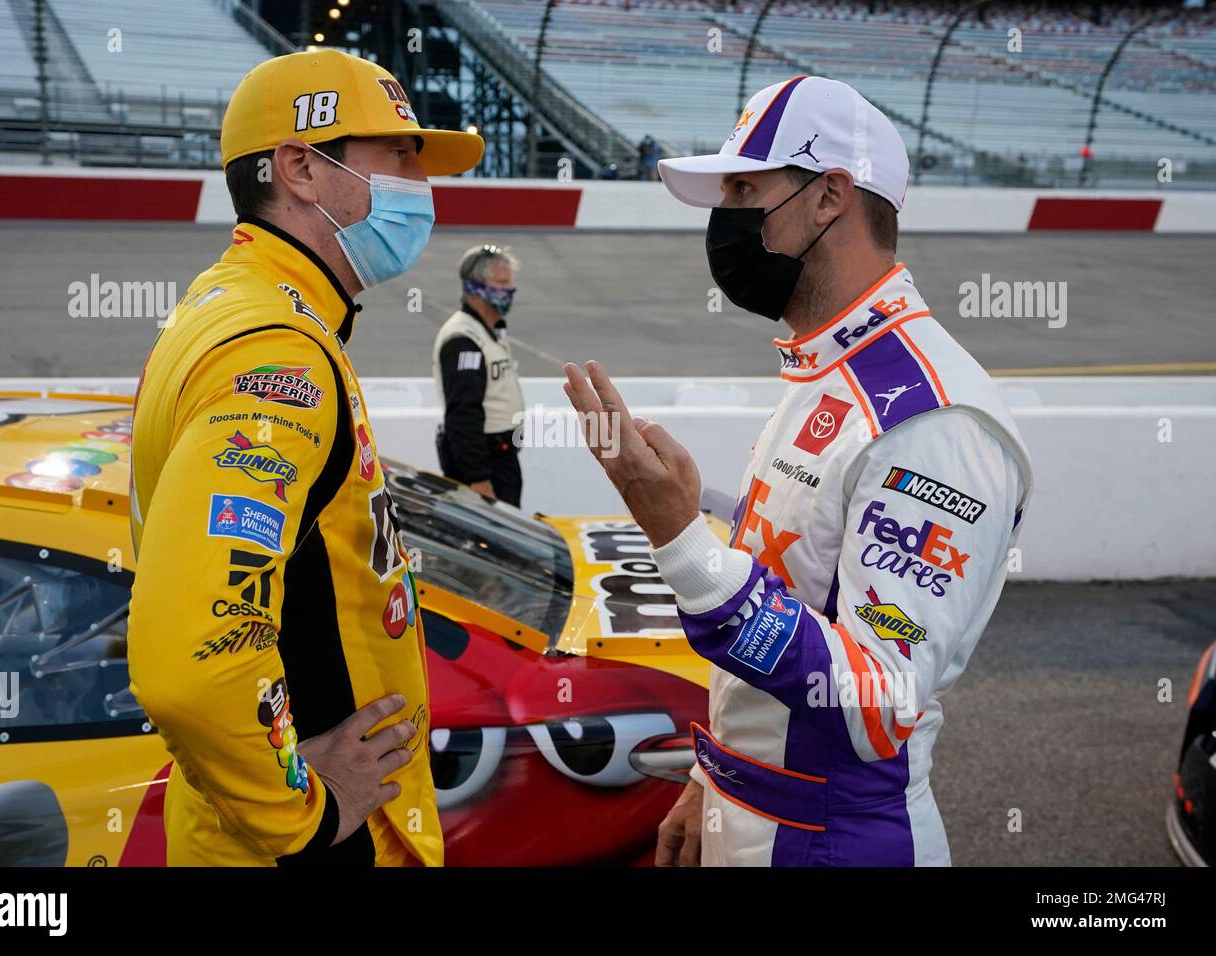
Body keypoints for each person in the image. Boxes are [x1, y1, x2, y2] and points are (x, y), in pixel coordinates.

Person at [563, 75, 1032, 866]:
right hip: (758, 812)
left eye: (745, 189)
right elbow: (795, 598)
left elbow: (876, 703)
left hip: (835, 839)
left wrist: (679, 537)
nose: (725, 217)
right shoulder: (830, 373)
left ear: (829, 198)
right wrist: (716, 775)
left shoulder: (933, 422)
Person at [126, 50, 483, 866]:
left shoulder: (235, 304)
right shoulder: (274, 354)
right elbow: (192, 663)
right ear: (301, 169)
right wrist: (305, 813)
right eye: (399, 155)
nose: (420, 181)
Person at [432, 243, 525, 506]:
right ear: (475, 287)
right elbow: (463, 414)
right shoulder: (463, 339)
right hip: (484, 465)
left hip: (500, 458)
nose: (511, 289)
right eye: (502, 283)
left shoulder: (489, 330)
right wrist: (479, 479)